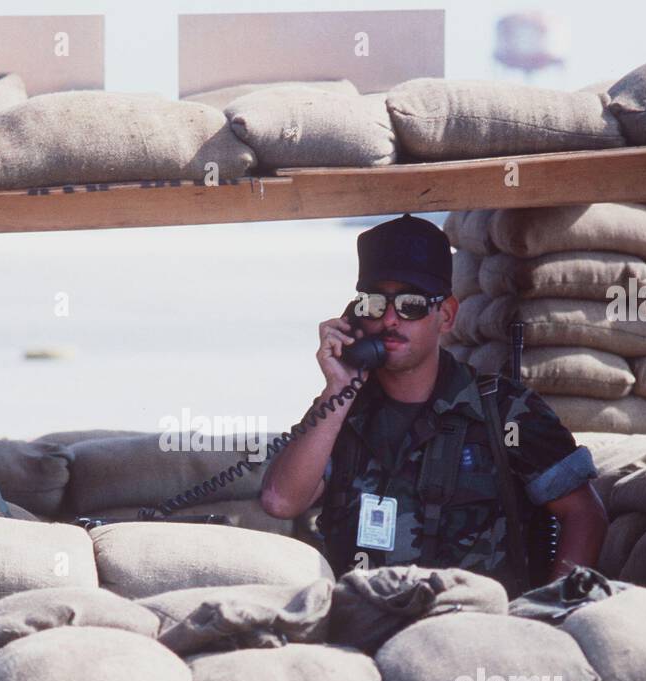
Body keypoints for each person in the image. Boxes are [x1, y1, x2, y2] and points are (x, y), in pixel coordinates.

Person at [259, 213, 607, 596]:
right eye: (375, 303)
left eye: (411, 304)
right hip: (364, 626)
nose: (390, 319)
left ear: (445, 315)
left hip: (479, 627)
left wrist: (550, 610)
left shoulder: (504, 411)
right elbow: (280, 501)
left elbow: (584, 516)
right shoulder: (341, 412)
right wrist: (339, 386)